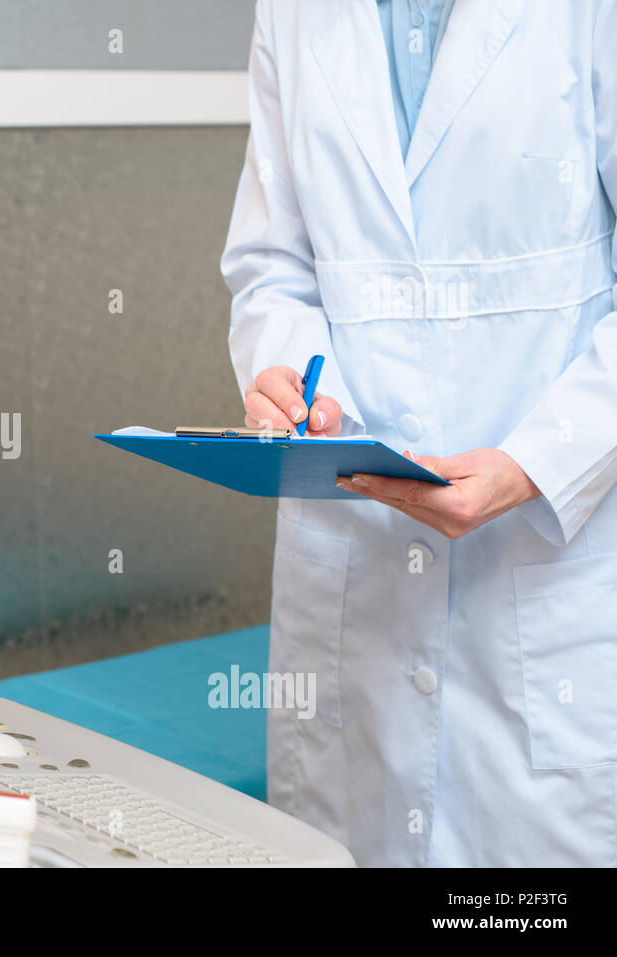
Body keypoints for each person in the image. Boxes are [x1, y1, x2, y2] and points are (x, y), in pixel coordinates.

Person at [221, 0, 617, 866]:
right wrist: (289, 376)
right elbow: (273, 268)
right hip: (352, 585)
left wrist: (534, 463)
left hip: (545, 568)